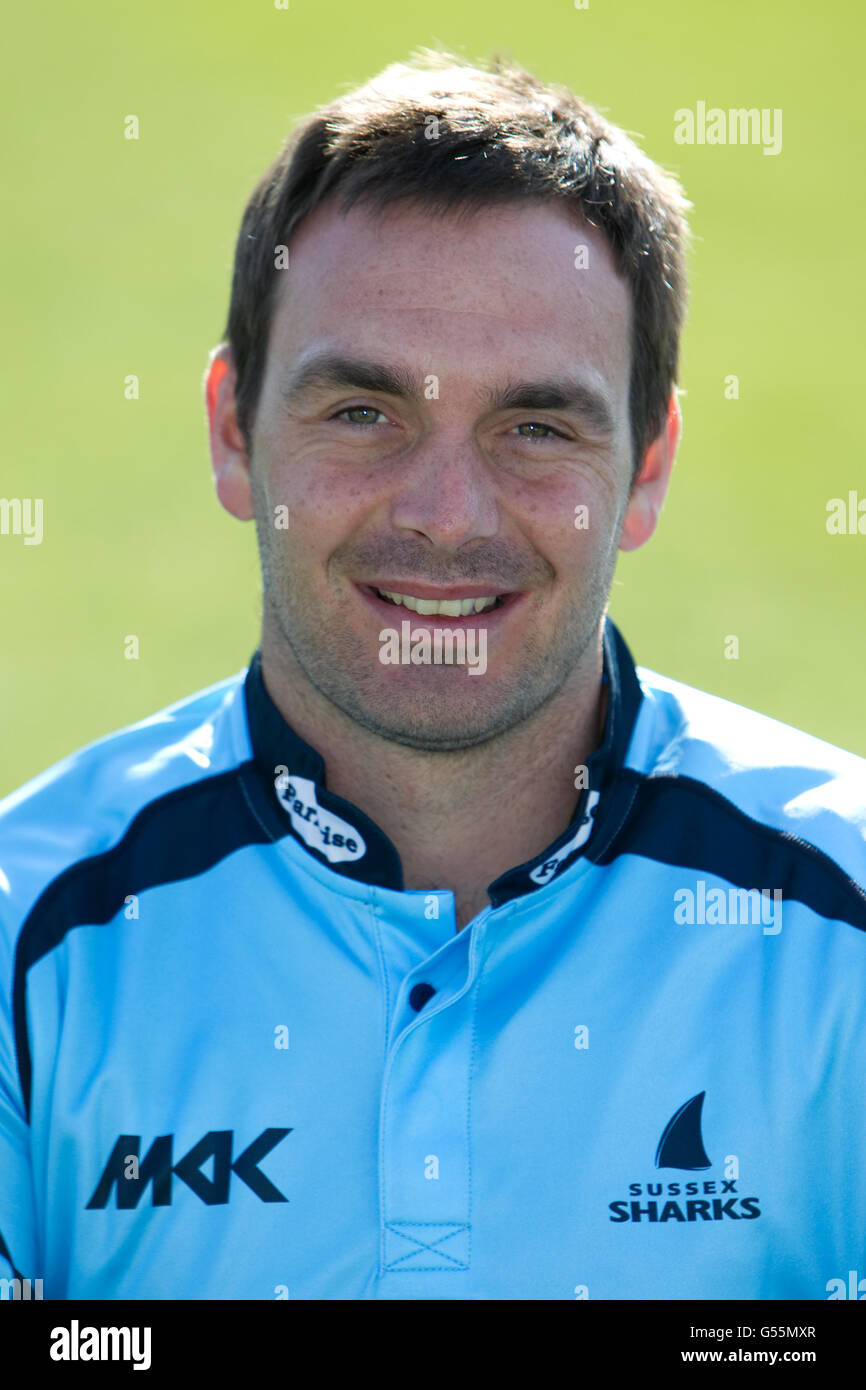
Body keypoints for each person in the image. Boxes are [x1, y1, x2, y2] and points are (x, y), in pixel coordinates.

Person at [1, 48, 864, 1303]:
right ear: (233, 429)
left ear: (650, 462)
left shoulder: (841, 931)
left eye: (535, 426)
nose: (448, 516)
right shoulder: (29, 931)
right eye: (363, 412)